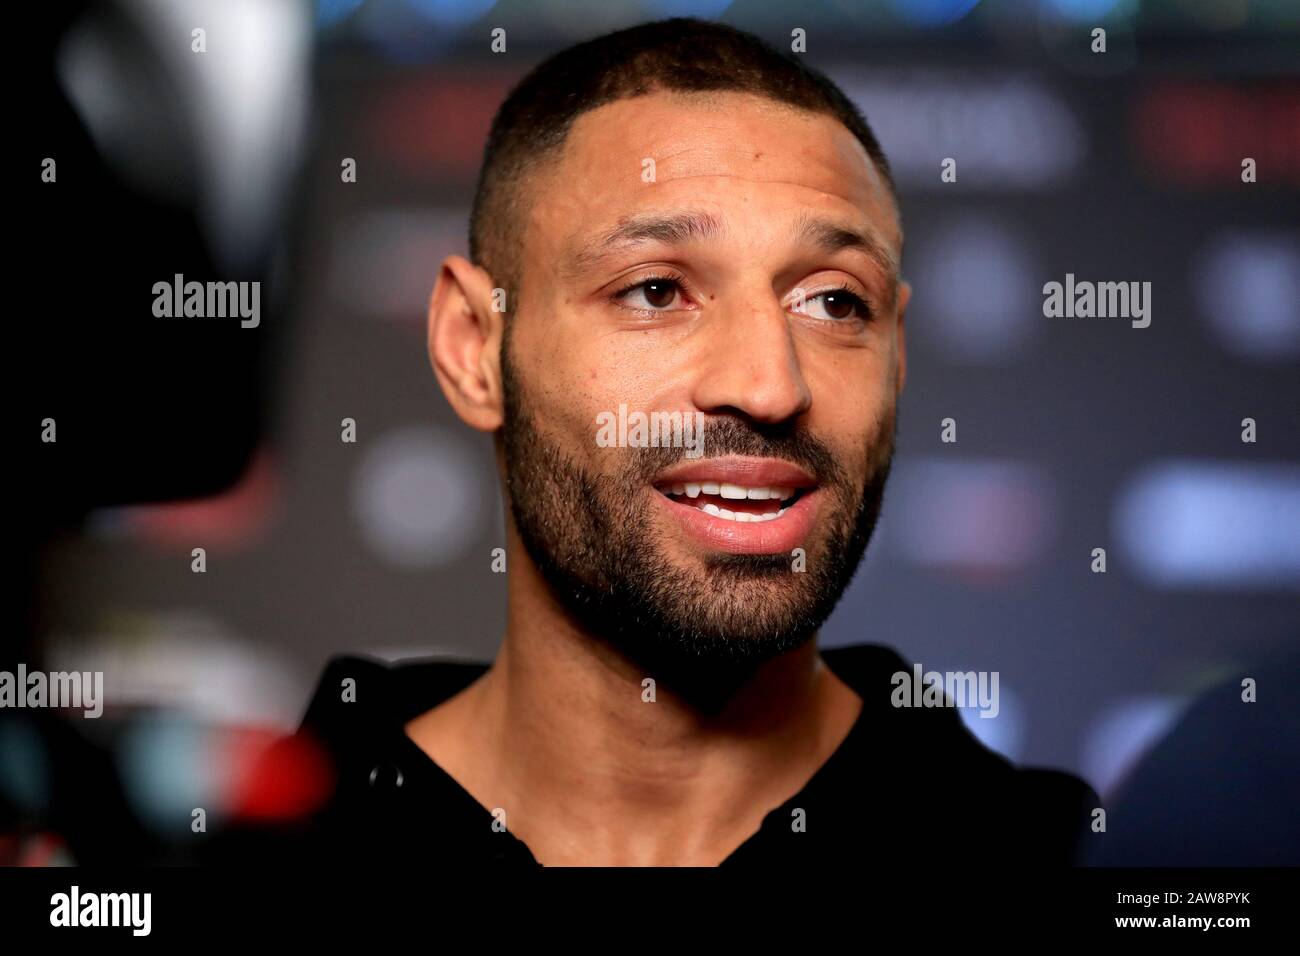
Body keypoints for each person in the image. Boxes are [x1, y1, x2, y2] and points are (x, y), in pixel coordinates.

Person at [232, 17, 1097, 868]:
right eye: (654, 291)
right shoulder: (262, 853)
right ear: (474, 348)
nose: (770, 387)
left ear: (897, 354)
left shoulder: (1054, 858)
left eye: (835, 302)